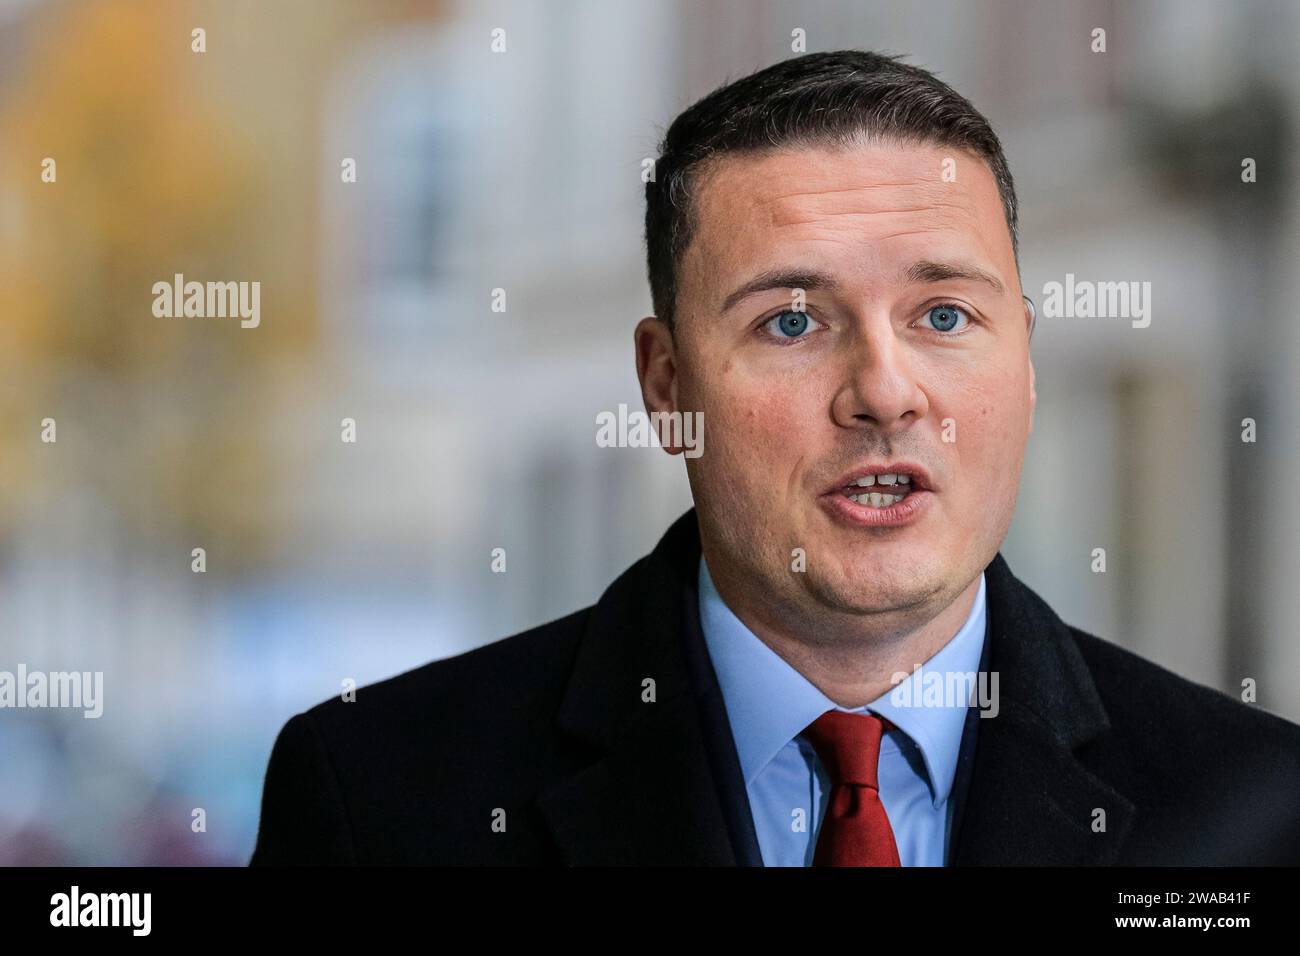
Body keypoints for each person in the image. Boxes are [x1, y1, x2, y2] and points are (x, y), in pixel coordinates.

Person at [250, 50, 1300, 866]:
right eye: (792, 323)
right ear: (665, 386)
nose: (885, 390)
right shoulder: (379, 797)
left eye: (943, 312)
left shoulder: (1258, 803)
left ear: (1024, 361)